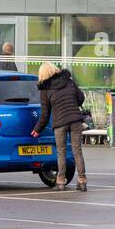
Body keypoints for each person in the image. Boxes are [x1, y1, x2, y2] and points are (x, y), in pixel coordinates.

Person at [31, 61, 86, 192]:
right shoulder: (69, 81)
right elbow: (81, 98)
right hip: (75, 120)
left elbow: (45, 114)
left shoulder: (45, 89)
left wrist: (37, 130)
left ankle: (60, 182)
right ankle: (82, 181)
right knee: (77, 151)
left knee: (61, 152)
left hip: (60, 123)